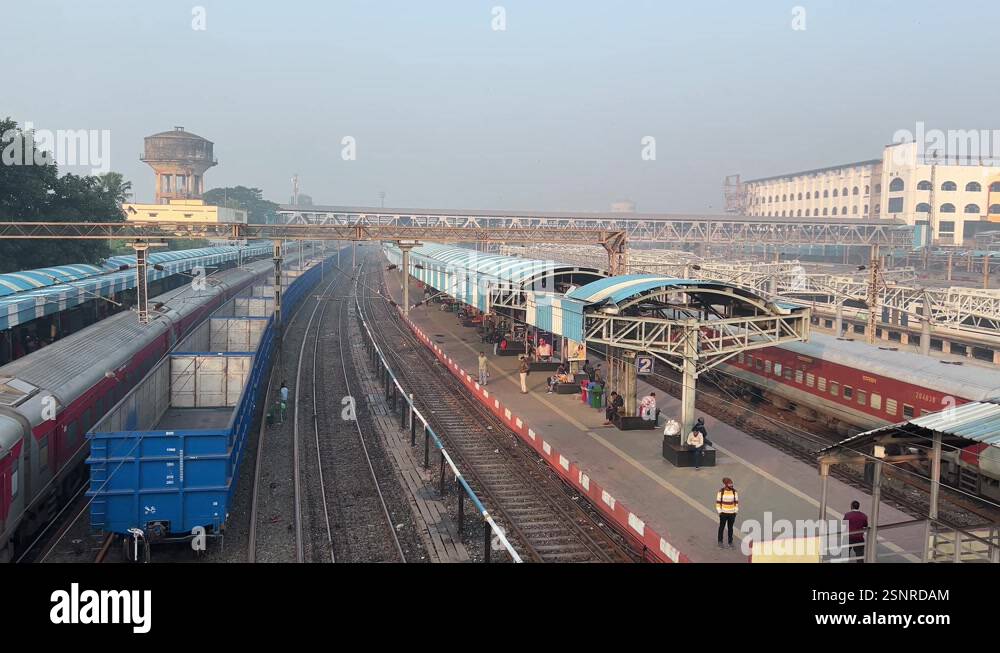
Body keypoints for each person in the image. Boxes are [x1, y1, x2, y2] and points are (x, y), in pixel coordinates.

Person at [716, 477, 739, 549]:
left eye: (731, 483)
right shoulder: (721, 492)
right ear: (726, 484)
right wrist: (720, 512)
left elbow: (736, 502)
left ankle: (730, 542)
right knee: (721, 527)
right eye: (730, 483)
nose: (731, 485)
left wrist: (735, 511)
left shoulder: (734, 492)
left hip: (732, 513)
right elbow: (718, 503)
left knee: (730, 528)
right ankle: (720, 542)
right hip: (723, 513)